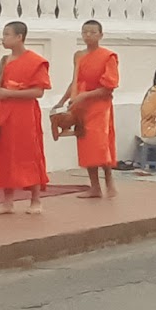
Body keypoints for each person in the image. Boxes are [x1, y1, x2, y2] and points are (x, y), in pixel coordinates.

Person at [0, 22, 50, 214]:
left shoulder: (35, 61)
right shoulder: (5, 60)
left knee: (30, 153)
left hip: (26, 115)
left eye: (7, 34)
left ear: (19, 37)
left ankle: (35, 200)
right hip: (6, 114)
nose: (3, 38)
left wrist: (10, 94)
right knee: (5, 155)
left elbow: (38, 92)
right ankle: (7, 202)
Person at [54, 20, 120, 198]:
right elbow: (75, 81)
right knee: (86, 145)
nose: (88, 35)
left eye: (92, 32)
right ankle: (95, 187)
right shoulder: (79, 55)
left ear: (100, 35)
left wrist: (84, 95)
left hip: (100, 106)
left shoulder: (108, 56)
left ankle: (109, 181)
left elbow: (109, 87)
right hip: (81, 106)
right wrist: (62, 101)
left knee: (100, 144)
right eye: (85, 32)